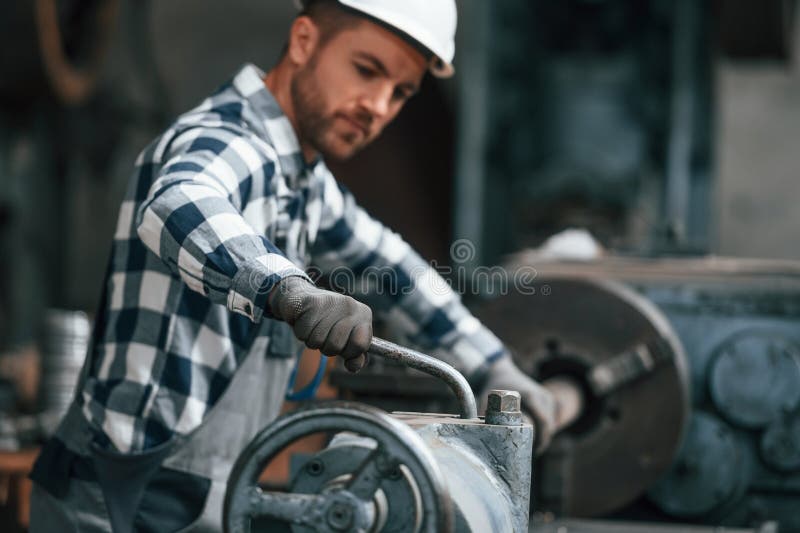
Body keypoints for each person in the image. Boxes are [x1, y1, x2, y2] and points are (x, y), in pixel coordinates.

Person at [29, 1, 558, 530]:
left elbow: (394, 270)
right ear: (304, 41)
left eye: (399, 93)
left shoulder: (303, 181)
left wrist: (494, 366)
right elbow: (179, 203)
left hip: (199, 490)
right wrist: (288, 289)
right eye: (367, 70)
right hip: (115, 495)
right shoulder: (228, 139)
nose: (378, 105)